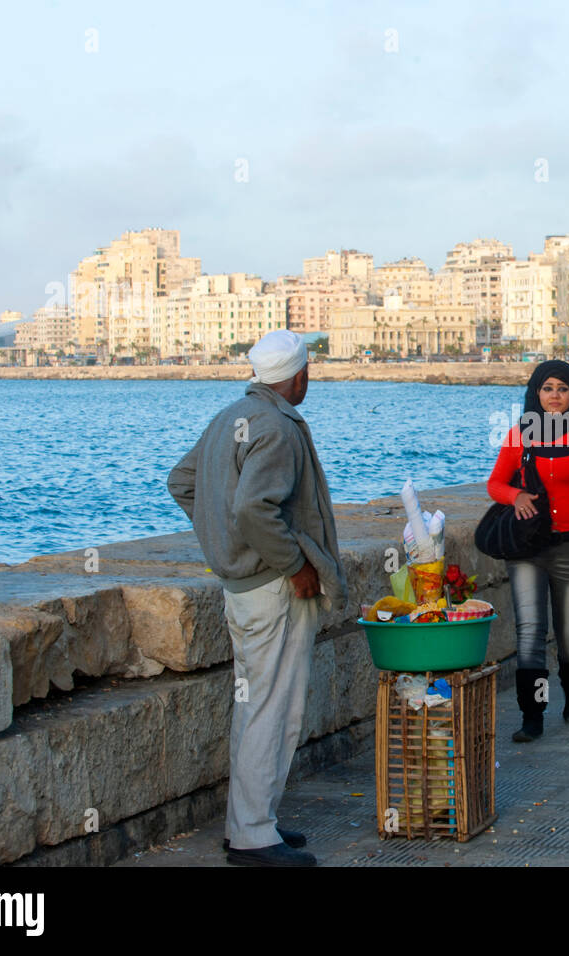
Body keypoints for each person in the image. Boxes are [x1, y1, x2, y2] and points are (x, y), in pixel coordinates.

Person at [167, 329, 348, 867]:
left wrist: (223, 546)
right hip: (273, 591)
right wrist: (294, 565)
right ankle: (252, 839)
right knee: (276, 710)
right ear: (296, 376)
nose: (308, 379)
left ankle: (249, 822)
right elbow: (254, 509)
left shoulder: (231, 417)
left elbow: (183, 483)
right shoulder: (276, 426)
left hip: (241, 588)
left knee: (254, 706)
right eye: (307, 372)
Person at [487, 361, 569, 742]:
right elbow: (494, 484)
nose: (554, 395)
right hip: (527, 548)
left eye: (563, 388)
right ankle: (532, 715)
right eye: (547, 388)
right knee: (529, 633)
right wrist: (515, 494)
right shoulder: (520, 434)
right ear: (536, 393)